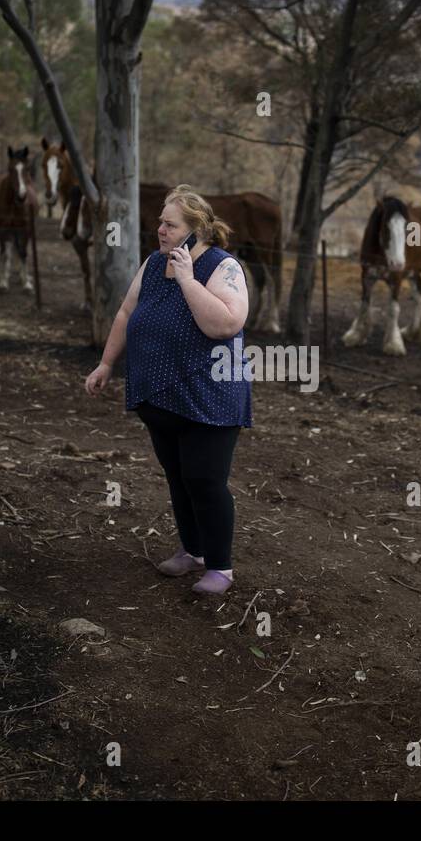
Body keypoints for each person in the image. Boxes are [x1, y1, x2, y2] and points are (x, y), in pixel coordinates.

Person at [84, 185, 252, 594]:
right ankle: (193, 551)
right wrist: (107, 361)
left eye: (169, 224)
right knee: (177, 476)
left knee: (205, 480)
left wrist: (188, 280)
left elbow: (226, 324)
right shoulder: (153, 263)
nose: (159, 229)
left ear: (197, 230)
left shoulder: (222, 267)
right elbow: (126, 310)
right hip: (160, 396)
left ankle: (220, 567)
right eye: (160, 221)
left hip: (209, 398)